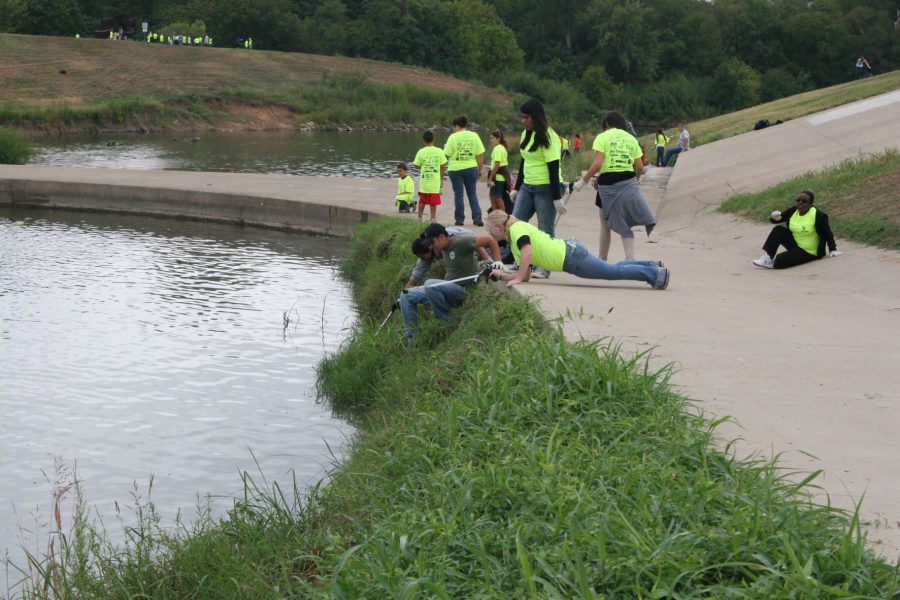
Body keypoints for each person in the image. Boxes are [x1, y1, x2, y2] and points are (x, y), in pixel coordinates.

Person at [484, 211, 669, 290]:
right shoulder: (515, 235)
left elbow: (528, 253)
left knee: (614, 272)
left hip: (572, 258)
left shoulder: (516, 229)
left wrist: (516, 277)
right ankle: (651, 266)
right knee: (612, 268)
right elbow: (525, 276)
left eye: (491, 231)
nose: (490, 235)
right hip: (571, 252)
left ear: (500, 227)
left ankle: (656, 275)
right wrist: (502, 276)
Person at [572, 111, 656, 261]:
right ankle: (630, 260)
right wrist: (635, 181)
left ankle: (602, 260)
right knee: (626, 223)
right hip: (628, 180)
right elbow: (639, 166)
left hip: (607, 182)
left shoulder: (602, 137)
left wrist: (583, 181)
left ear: (608, 124)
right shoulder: (631, 139)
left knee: (605, 225)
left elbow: (597, 165)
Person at [399, 223, 501, 340]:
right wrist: (409, 285)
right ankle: (412, 340)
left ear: (441, 237)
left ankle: (444, 324)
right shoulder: (442, 248)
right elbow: (421, 265)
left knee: (429, 284)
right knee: (406, 294)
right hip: (449, 288)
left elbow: (489, 240)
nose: (431, 246)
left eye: (432, 242)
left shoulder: (459, 242)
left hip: (463, 290)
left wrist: (497, 262)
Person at [510, 98, 564, 279]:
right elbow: (524, 162)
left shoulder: (550, 137)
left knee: (545, 229)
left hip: (546, 188)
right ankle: (520, 262)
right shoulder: (526, 134)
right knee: (515, 224)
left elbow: (553, 168)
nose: (523, 121)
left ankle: (544, 267)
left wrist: (556, 197)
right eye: (522, 117)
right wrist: (517, 187)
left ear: (536, 117)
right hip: (527, 187)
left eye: (527, 117)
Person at [752, 190, 840, 269]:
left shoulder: (818, 215)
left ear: (811, 204)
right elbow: (776, 219)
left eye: (804, 201)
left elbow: (827, 233)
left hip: (809, 251)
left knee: (779, 261)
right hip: (795, 244)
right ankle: (768, 257)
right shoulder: (793, 211)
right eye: (798, 200)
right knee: (778, 230)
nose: (800, 203)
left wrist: (832, 249)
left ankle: (776, 261)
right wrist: (774, 218)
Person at [443, 115, 485, 226]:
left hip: (455, 169)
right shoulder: (474, 136)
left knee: (458, 194)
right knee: (472, 193)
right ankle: (477, 218)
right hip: (471, 168)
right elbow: (480, 155)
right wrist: (480, 169)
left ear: (457, 126)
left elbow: (446, 155)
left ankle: (459, 220)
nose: (454, 129)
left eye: (454, 127)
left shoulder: (452, 137)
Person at [413, 130, 447, 222]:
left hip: (424, 182)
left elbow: (416, 165)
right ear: (434, 139)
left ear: (423, 140)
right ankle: (433, 218)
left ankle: (419, 217)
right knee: (433, 202)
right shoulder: (439, 151)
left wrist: (423, 166)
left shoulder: (421, 152)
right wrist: (441, 180)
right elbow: (443, 166)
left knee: (422, 201)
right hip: (435, 182)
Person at [487, 130, 513, 213]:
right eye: (490, 138)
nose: (491, 140)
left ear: (498, 139)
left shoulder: (498, 149)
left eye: (493, 138)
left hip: (498, 177)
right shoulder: (500, 148)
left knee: (497, 197)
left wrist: (490, 178)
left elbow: (497, 164)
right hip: (498, 176)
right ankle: (496, 214)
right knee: (492, 196)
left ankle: (502, 216)